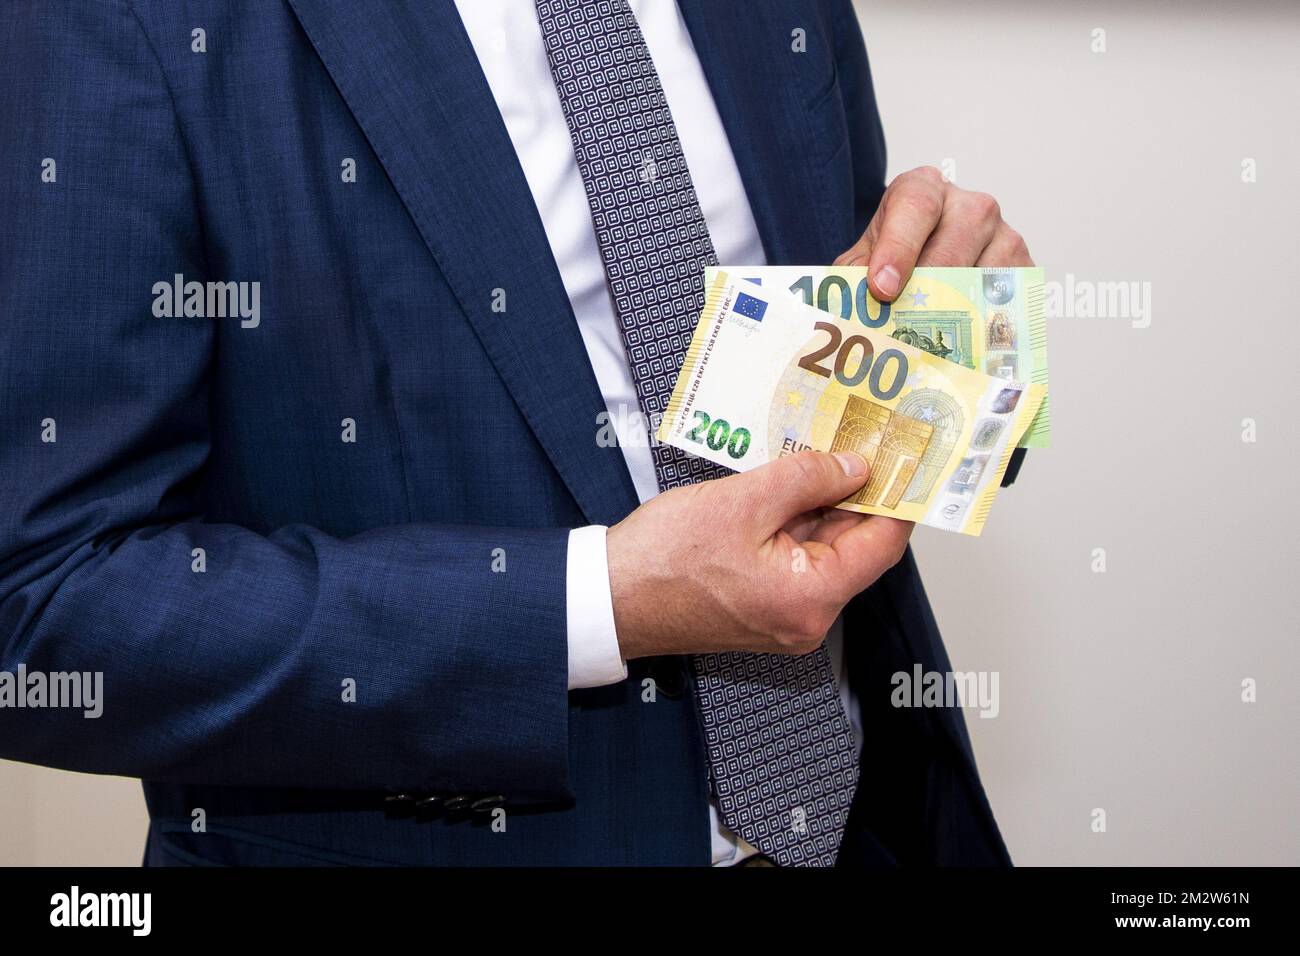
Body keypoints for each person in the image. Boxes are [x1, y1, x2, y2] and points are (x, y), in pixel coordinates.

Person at [0, 0, 1030, 866]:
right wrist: (598, 603)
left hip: (878, 823)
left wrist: (959, 340)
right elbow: (40, 597)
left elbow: (847, 347)